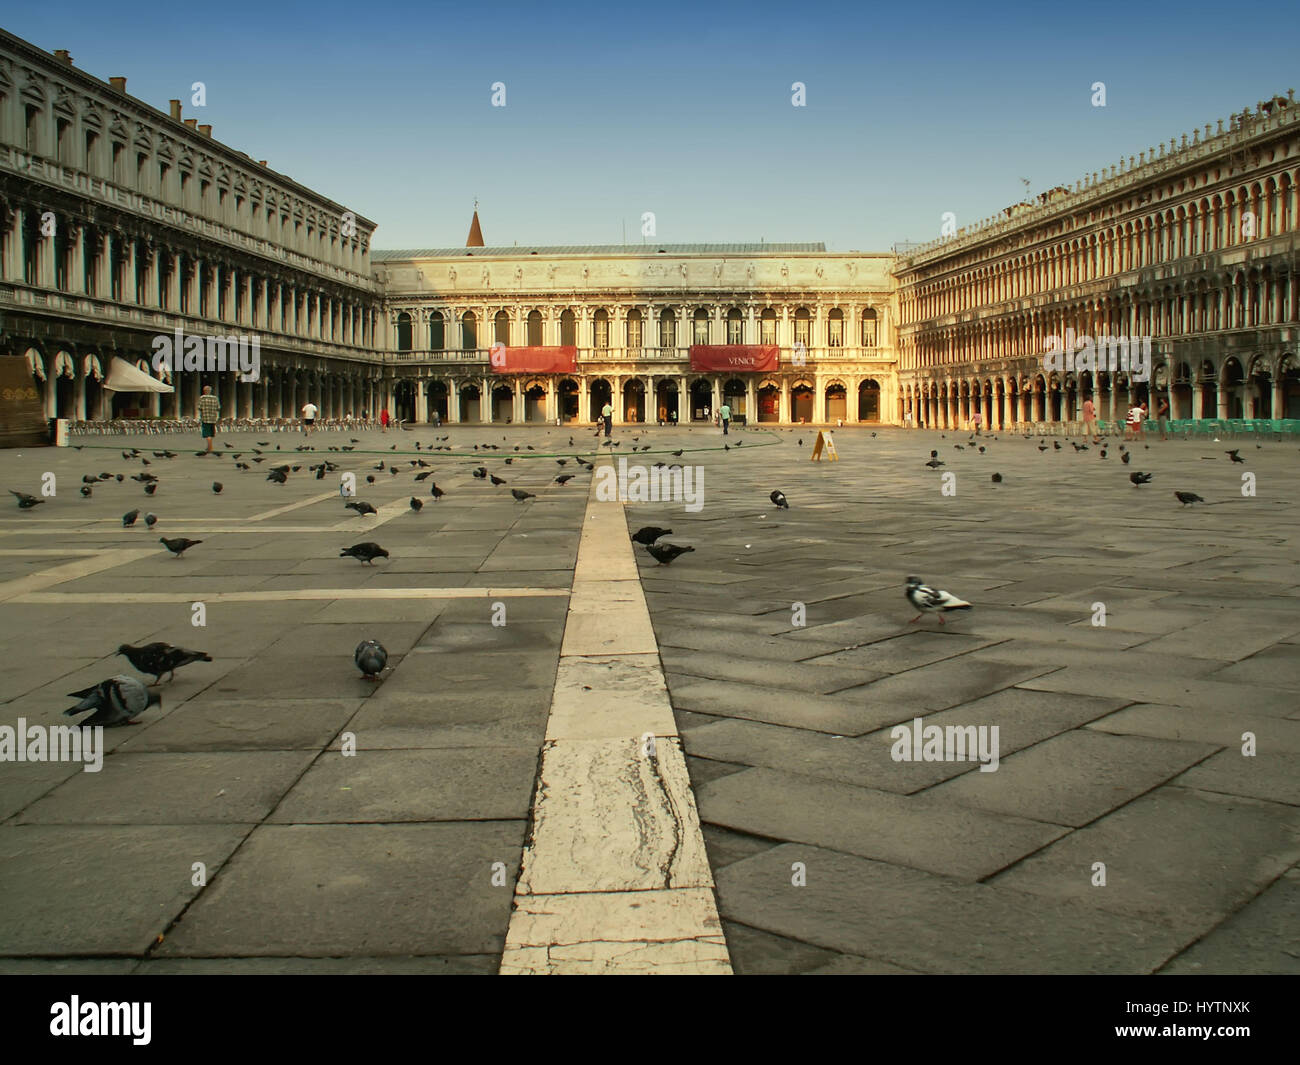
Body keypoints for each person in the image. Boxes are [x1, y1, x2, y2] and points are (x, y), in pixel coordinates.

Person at [197, 384, 219, 453]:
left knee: (207, 434)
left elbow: (199, 407)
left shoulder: (202, 398)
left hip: (205, 418)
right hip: (213, 419)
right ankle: (209, 447)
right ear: (210, 391)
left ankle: (210, 448)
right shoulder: (215, 398)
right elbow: (218, 408)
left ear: (204, 391)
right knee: (211, 434)